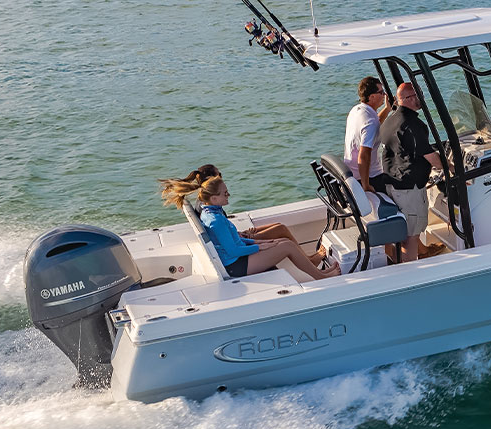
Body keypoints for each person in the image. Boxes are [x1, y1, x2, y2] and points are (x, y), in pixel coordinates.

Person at [161, 175, 339, 280]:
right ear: (214, 199)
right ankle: (320, 277)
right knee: (287, 246)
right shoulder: (215, 220)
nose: (228, 195)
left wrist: (260, 242)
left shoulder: (212, 212)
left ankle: (318, 271)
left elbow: (234, 241)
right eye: (225, 193)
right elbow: (233, 250)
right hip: (236, 266)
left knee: (282, 241)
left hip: (237, 259)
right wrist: (258, 246)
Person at [173, 164, 326, 265]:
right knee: (281, 230)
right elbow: (228, 241)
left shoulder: (205, 203)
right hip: (237, 244)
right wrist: (250, 239)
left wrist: (243, 233)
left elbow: (224, 232)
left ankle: (308, 258)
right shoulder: (211, 208)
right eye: (219, 175)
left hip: (236, 237)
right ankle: (310, 261)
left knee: (280, 227)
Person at [378, 82, 443, 262]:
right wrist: (450, 168)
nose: (421, 97)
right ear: (409, 98)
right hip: (409, 189)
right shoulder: (413, 124)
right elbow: (430, 155)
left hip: (392, 185)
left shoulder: (390, 120)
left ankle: (405, 263)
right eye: (419, 94)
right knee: (411, 237)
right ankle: (411, 274)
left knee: (402, 234)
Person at [343, 76, 391, 194]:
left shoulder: (357, 110)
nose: (384, 95)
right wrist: (366, 185)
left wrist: (387, 109)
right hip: (369, 177)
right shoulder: (370, 122)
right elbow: (364, 155)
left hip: (351, 172)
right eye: (381, 92)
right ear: (372, 97)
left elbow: (374, 123)